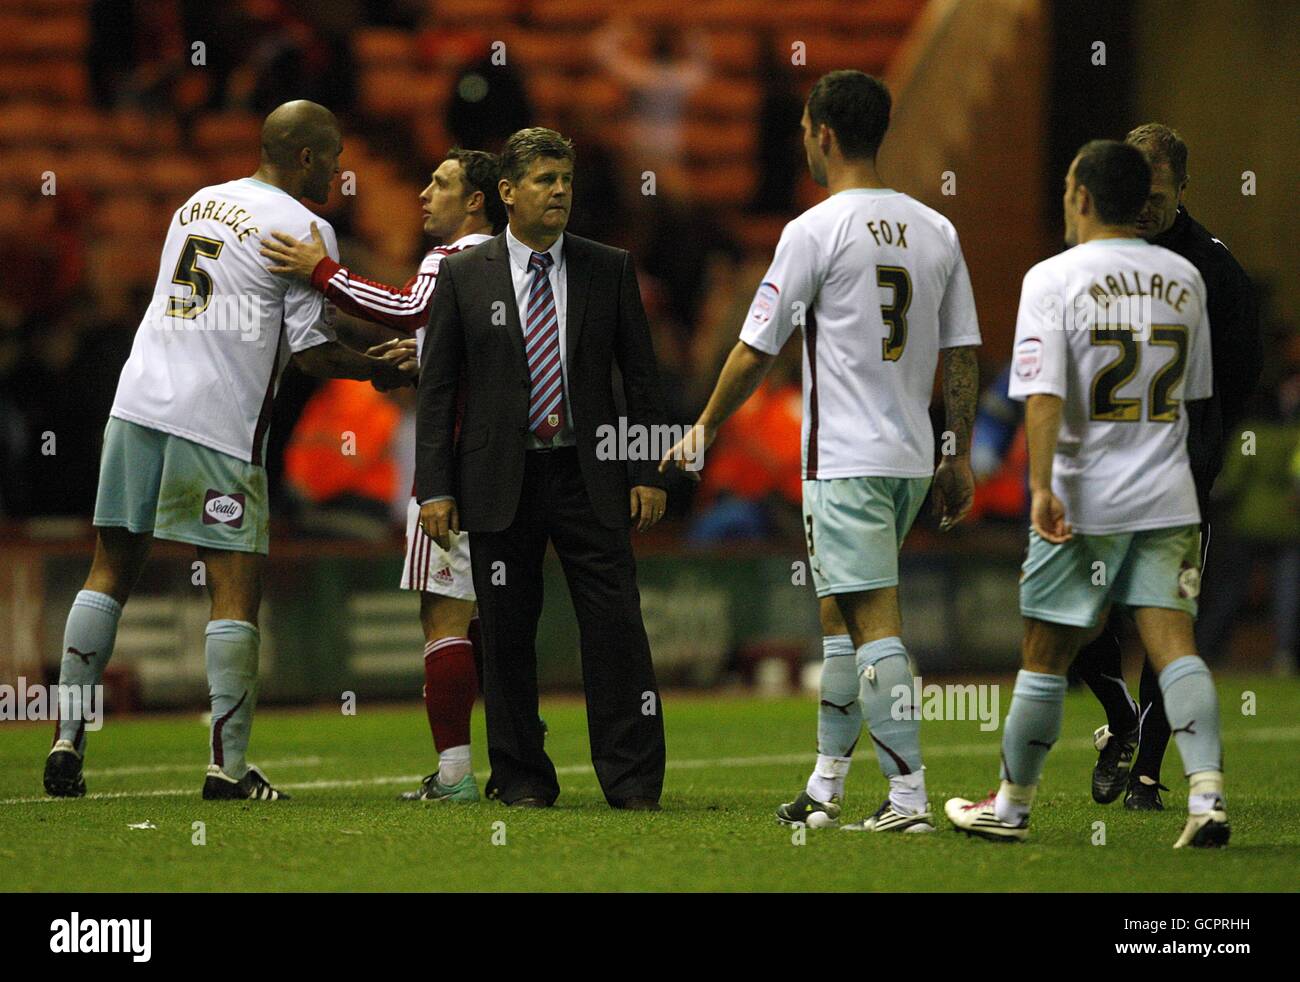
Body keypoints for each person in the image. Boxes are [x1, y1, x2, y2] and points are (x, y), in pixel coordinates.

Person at [43, 100, 415, 801]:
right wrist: (380, 368)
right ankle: (227, 766)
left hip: (136, 405)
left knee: (109, 568)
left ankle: (66, 739)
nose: (339, 168)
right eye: (331, 155)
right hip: (216, 420)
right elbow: (309, 355)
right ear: (303, 157)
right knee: (234, 585)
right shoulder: (306, 227)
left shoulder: (196, 203)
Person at [663, 70, 982, 833]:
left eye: (806, 130)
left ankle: (908, 800)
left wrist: (704, 424)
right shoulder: (935, 228)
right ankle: (826, 787)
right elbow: (964, 351)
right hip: (908, 455)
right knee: (839, 617)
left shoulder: (815, 229)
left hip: (845, 458)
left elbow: (754, 347)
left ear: (825, 135)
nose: (802, 141)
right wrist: (957, 452)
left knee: (874, 622)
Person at [946, 140, 1229, 848]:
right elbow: (1194, 397)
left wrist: (1041, 485)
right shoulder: (1185, 280)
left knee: (1044, 652)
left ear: (1080, 196)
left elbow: (1041, 396)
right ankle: (1209, 797)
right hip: (1167, 494)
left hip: (1084, 495)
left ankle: (1010, 806)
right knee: (1174, 648)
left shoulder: (1052, 278)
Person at [416, 127, 669, 810]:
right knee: (504, 634)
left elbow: (641, 379)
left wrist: (647, 470)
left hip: (592, 477)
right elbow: (438, 388)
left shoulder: (607, 267)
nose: (560, 191)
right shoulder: (463, 275)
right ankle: (523, 778)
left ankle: (633, 780)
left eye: (565, 179)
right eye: (544, 180)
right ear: (506, 192)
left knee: (617, 628)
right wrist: (433, 485)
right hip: (500, 479)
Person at [259, 148, 503, 802]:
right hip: (507, 465)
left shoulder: (453, 258)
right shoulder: (512, 263)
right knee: (488, 614)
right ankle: (514, 757)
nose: (425, 192)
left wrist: (322, 272)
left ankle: (454, 776)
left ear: (475, 199)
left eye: (441, 182)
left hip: (452, 465)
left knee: (444, 616)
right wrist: (429, 352)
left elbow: (404, 305)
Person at [1071, 124, 1261, 811]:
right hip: (1094, 475)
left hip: (1177, 477)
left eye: (1157, 193)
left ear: (1183, 187)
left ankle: (1146, 776)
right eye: (1135, 191)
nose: (1145, 206)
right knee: (1077, 621)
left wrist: (1203, 443)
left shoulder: (1211, 270)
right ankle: (1121, 720)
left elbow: (1242, 373)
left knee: (1164, 621)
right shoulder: (1093, 255)